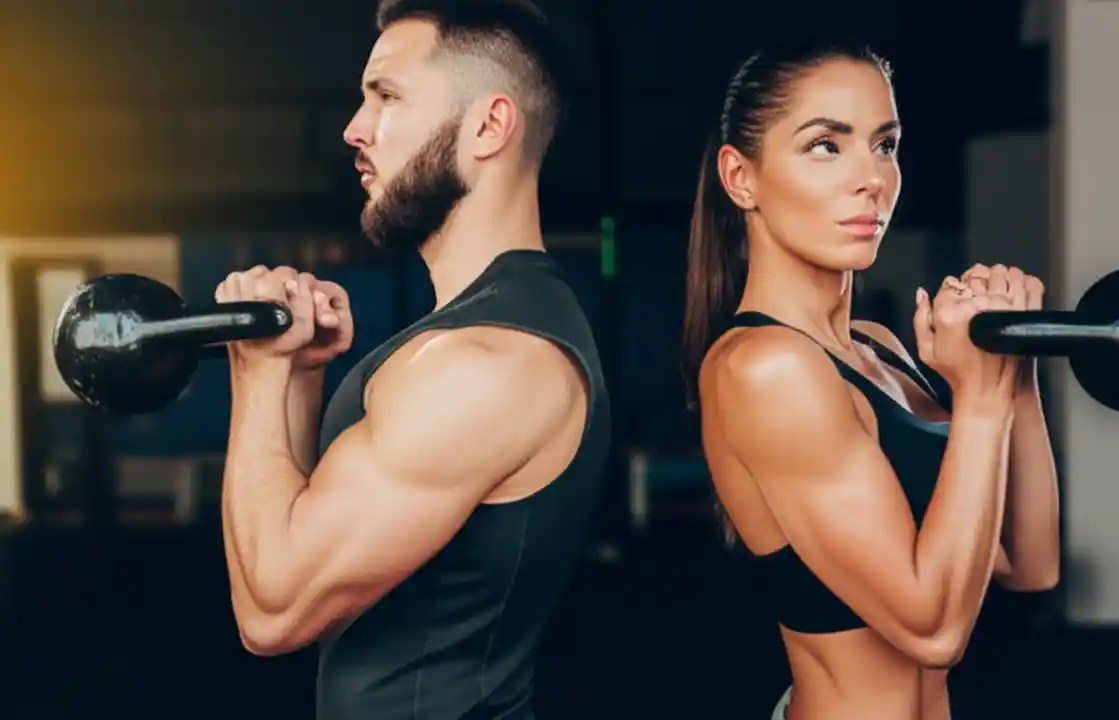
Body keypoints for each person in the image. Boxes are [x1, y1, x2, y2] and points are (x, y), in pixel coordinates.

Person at [212, 2, 611, 719]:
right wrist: (297, 374)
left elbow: (273, 610)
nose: (354, 129)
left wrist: (257, 369)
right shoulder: (490, 331)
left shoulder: (487, 364)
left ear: (489, 126)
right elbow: (317, 568)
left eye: (386, 96)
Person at [682, 35, 1060, 720]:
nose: (872, 179)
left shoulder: (875, 348)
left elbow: (1030, 564)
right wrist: (978, 401)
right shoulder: (765, 369)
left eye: (884, 145)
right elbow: (933, 630)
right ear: (741, 178)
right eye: (826, 145)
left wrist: (1012, 367)